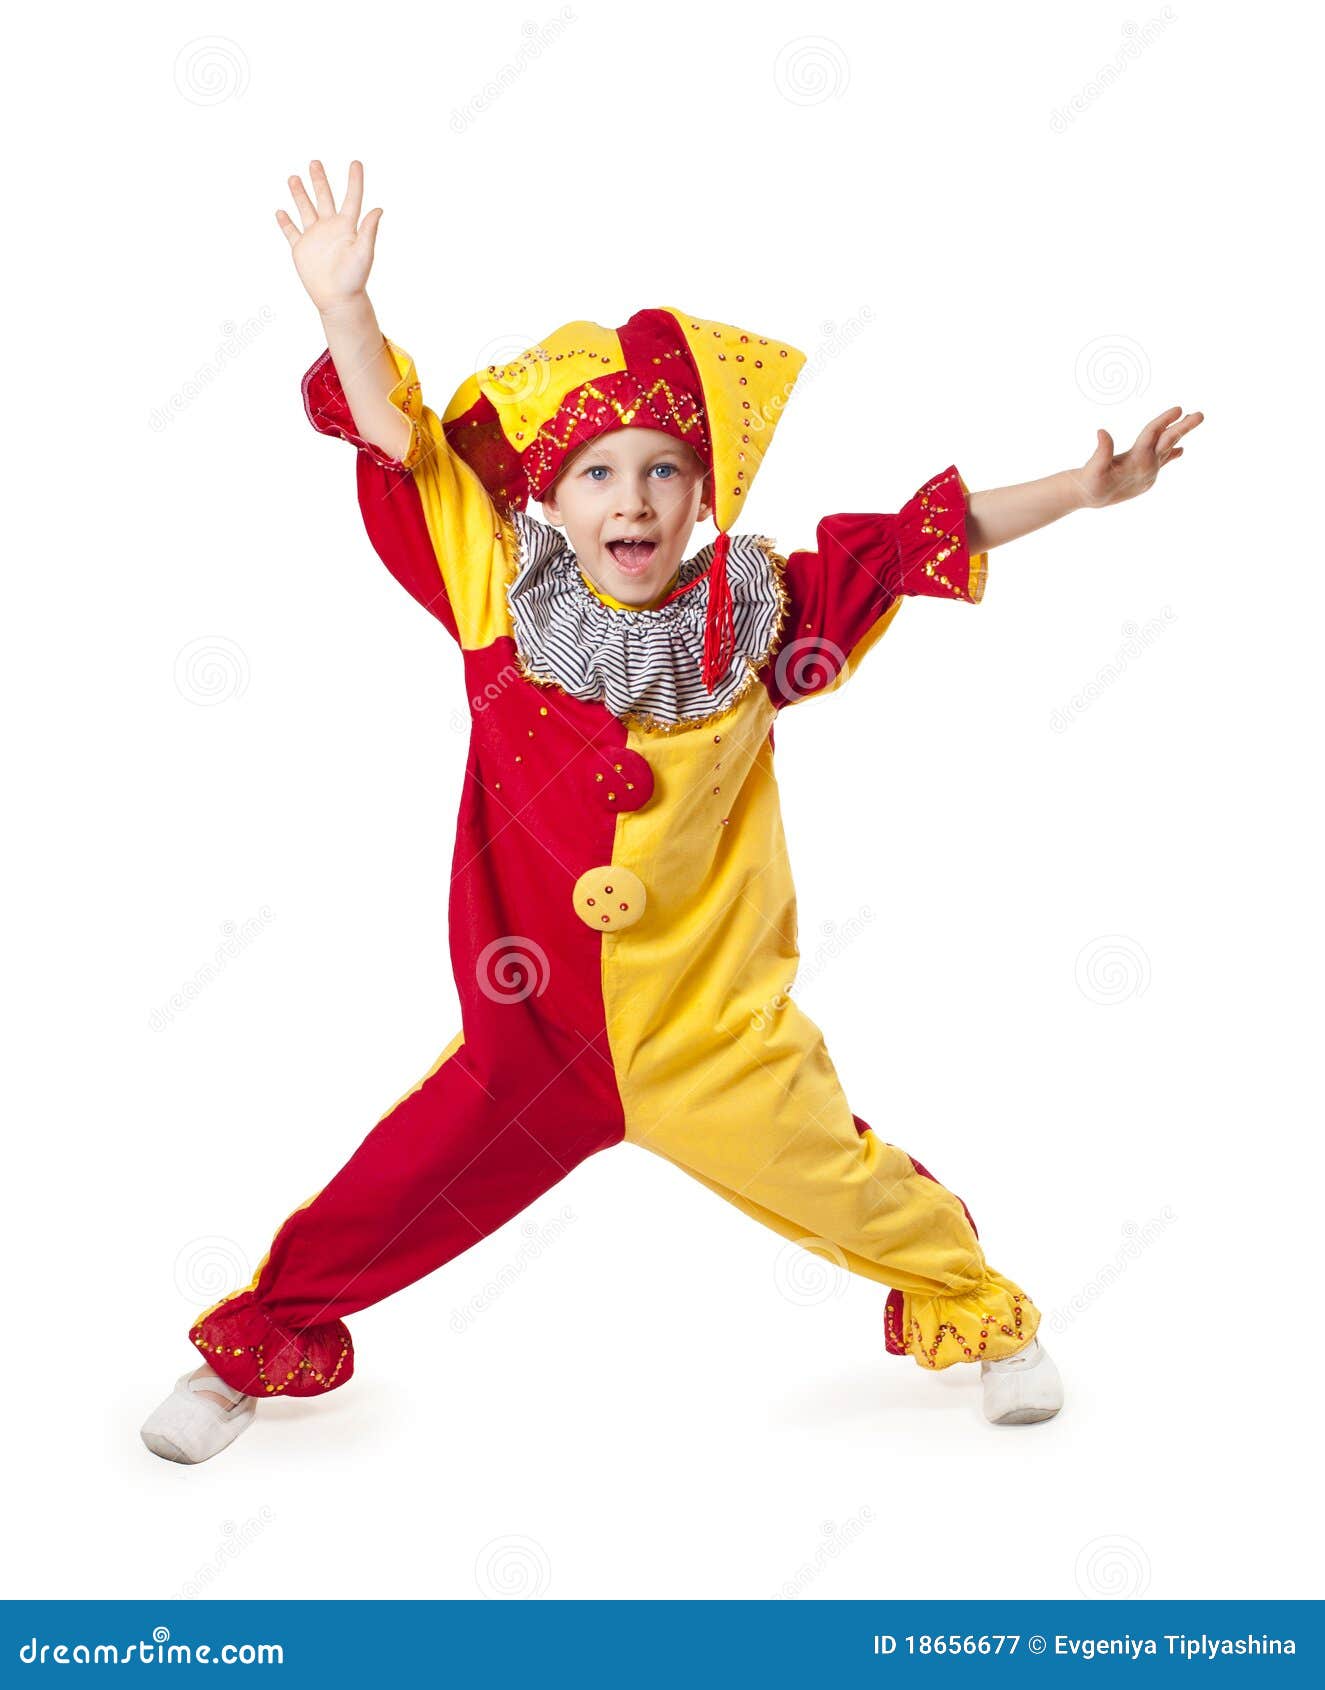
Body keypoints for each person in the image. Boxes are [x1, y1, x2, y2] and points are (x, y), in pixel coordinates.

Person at [141, 160, 1203, 1464]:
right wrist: (347, 315)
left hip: (713, 1038)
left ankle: (977, 1311)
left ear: (703, 498)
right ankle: (258, 1343)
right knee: (389, 1193)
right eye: (595, 473)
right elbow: (398, 444)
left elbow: (926, 534)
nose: (630, 499)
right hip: (526, 1044)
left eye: (661, 472)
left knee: (847, 1179)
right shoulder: (498, 595)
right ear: (549, 497)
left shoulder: (758, 616)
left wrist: (1082, 493)